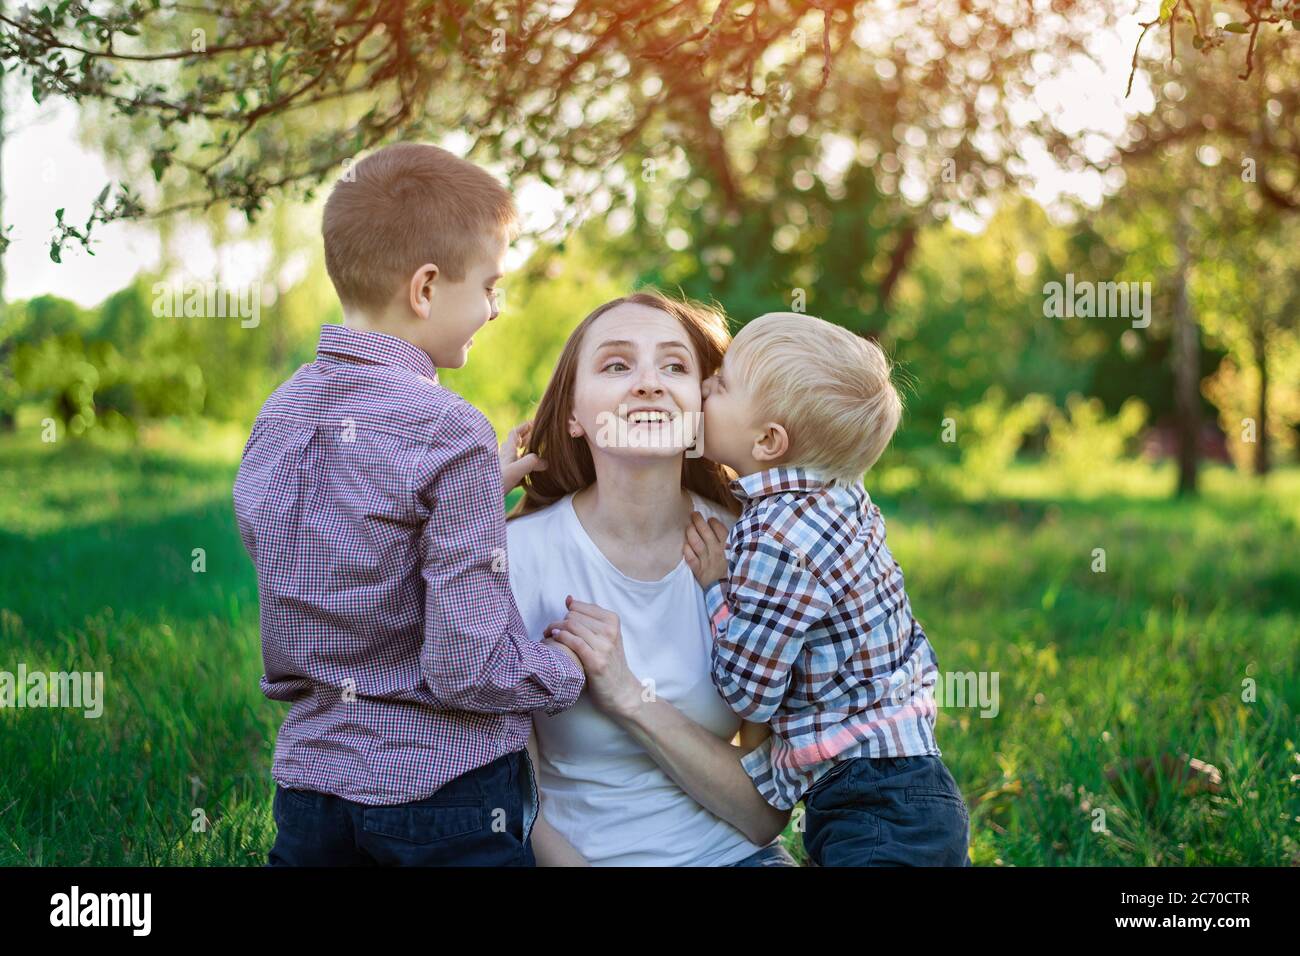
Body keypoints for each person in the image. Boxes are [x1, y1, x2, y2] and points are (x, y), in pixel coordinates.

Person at [233, 143, 583, 866]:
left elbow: (342, 550)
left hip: (311, 793)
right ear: (426, 289)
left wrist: (475, 493)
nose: (495, 307)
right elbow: (468, 667)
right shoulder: (448, 428)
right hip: (442, 798)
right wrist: (563, 668)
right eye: (490, 286)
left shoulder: (281, 414)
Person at [506, 291, 797, 866]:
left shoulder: (756, 549)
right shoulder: (513, 557)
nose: (648, 383)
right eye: (617, 364)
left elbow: (764, 816)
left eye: (675, 365)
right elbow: (515, 808)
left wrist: (628, 696)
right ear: (571, 415)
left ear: (703, 403)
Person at [680, 311, 970, 866]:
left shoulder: (778, 537)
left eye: (720, 385)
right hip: (903, 787)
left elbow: (748, 693)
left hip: (872, 805)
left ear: (767, 440)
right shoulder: (837, 493)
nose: (702, 387)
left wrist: (718, 585)